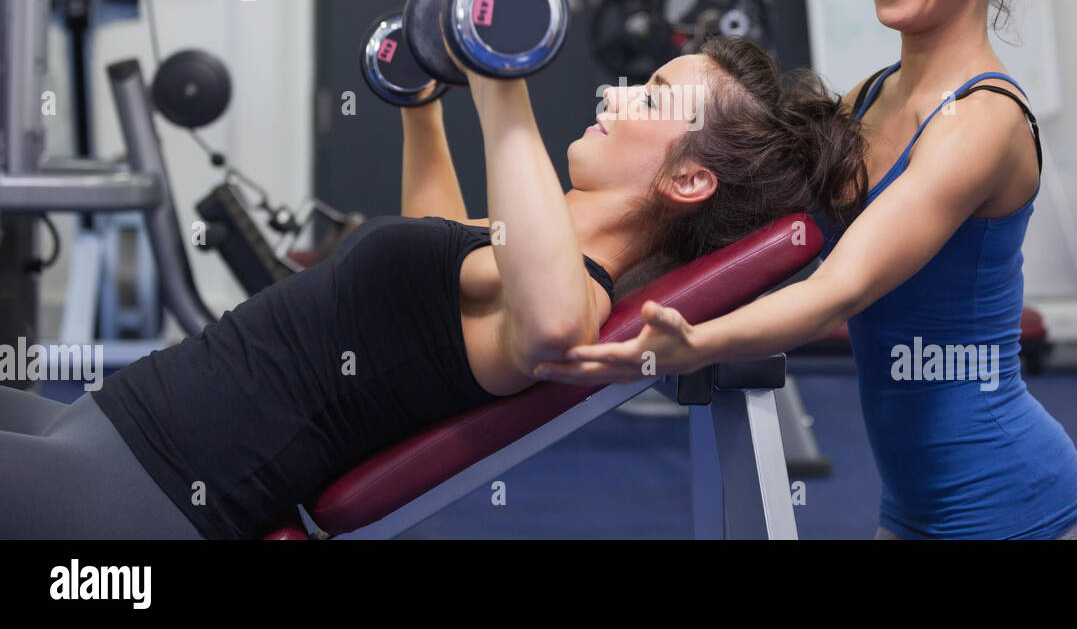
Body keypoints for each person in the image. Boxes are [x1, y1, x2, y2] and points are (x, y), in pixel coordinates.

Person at [0, 35, 867, 539]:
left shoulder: (574, 295)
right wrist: (424, 103)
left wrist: (503, 86)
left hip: (143, 498)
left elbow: (554, 328)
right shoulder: (519, 260)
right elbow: (441, 243)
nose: (616, 93)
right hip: (111, 429)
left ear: (686, 183)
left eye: (651, 98)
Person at [540, 0, 1077, 540]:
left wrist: (695, 343)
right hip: (912, 511)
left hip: (1012, 507)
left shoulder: (985, 120)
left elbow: (840, 288)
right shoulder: (868, 98)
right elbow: (761, 227)